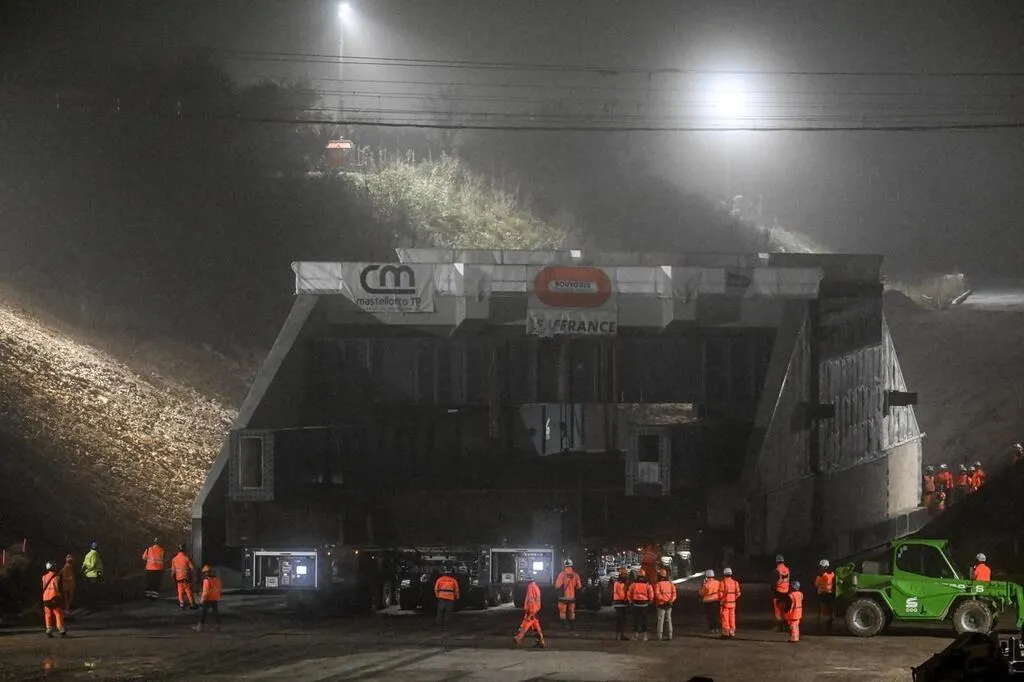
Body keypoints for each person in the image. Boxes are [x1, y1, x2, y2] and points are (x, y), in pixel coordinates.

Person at [513, 576, 546, 648]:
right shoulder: (536, 587)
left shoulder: (530, 587)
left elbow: (530, 599)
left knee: (526, 624)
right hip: (535, 609)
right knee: (536, 627)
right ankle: (541, 641)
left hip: (532, 610)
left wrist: (530, 610)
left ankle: (518, 637)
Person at [554, 559, 582, 630]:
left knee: (562, 612)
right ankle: (572, 627)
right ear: (572, 565)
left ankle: (563, 627)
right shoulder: (575, 575)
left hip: (563, 597)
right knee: (571, 611)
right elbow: (579, 586)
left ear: (564, 565)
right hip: (571, 597)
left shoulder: (561, 574)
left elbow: (557, 586)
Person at [192, 565, 222, 632]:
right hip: (215, 598)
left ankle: (200, 627)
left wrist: (202, 599)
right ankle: (218, 626)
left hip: (208, 598)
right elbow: (219, 588)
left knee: (204, 613)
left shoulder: (207, 580)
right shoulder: (217, 579)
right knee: (215, 612)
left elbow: (205, 591)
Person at [42, 561, 67, 638]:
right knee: (58, 613)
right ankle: (61, 630)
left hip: (45, 597)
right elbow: (59, 588)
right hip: (54, 597)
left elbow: (43, 587)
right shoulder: (57, 577)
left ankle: (49, 629)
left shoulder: (44, 577)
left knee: (48, 614)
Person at [627, 572, 654, 641]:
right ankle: (645, 636)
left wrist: (630, 601)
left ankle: (635, 636)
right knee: (644, 621)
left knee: (636, 620)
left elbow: (629, 593)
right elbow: (651, 594)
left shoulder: (633, 585)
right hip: (644, 604)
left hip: (636, 604)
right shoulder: (648, 585)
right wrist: (650, 601)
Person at [170, 545, 197, 609]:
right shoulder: (186, 558)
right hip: (185, 578)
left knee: (180, 591)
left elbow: (173, 571)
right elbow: (192, 568)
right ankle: (192, 604)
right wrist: (193, 576)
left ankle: (181, 603)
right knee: (188, 591)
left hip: (178, 578)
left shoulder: (174, 559)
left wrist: (173, 578)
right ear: (184, 550)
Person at [718, 567, 741, 638]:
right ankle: (732, 632)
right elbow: (738, 593)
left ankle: (726, 633)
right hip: (733, 603)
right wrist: (733, 598)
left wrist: (721, 600)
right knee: (732, 618)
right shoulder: (735, 582)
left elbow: (720, 595)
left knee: (725, 618)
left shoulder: (722, 583)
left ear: (724, 574)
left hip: (725, 603)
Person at [654, 567, 677, 641]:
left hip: (661, 604)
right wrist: (670, 600)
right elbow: (674, 594)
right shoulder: (671, 584)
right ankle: (670, 635)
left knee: (660, 620)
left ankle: (659, 636)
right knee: (669, 619)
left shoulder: (658, 584)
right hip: (669, 604)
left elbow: (657, 595)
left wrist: (664, 600)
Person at [814, 559, 836, 632]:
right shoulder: (832, 573)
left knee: (821, 610)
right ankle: (829, 626)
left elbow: (816, 584)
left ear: (822, 566)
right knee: (830, 610)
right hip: (831, 594)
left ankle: (819, 626)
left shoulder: (821, 574)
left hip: (823, 594)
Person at [698, 569, 721, 634]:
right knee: (716, 615)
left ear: (706, 576)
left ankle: (712, 629)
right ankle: (717, 628)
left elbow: (701, 593)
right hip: (716, 600)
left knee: (710, 616)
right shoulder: (718, 582)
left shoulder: (706, 584)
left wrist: (701, 586)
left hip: (708, 601)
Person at [81, 542, 103, 609]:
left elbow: (84, 564)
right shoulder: (95, 554)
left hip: (88, 575)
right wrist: (87, 570)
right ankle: (94, 606)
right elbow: (93, 565)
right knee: (94, 591)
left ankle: (89, 605)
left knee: (90, 591)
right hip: (94, 574)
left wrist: (84, 571)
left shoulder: (88, 554)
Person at [772, 554, 790, 632]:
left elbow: (773, 583)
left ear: (776, 561)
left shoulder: (776, 570)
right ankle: (786, 625)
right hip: (786, 591)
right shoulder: (787, 569)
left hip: (778, 592)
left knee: (778, 610)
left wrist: (773, 590)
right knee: (785, 609)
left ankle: (779, 627)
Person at [611, 566, 630, 641]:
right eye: (625, 574)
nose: (626, 575)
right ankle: (619, 635)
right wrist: (626, 599)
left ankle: (620, 635)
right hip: (620, 602)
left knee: (621, 620)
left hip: (619, 603)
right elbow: (621, 593)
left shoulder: (618, 582)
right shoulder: (620, 583)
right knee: (621, 620)